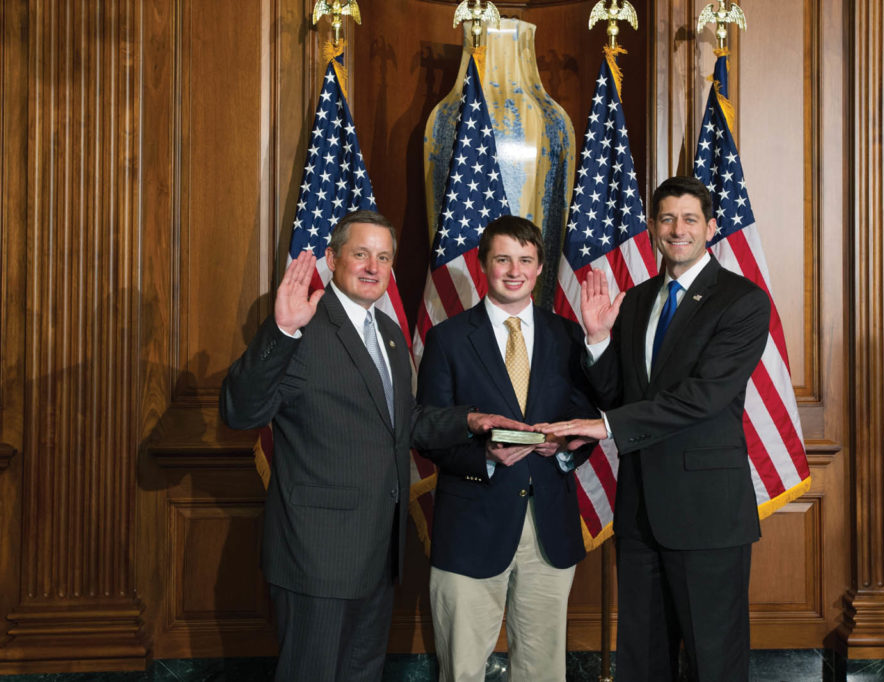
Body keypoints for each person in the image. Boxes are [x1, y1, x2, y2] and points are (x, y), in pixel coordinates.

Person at [219, 210, 527, 682]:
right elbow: (241, 412)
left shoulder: (387, 333)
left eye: (383, 257)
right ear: (332, 259)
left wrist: (469, 420)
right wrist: (281, 332)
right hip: (317, 555)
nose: (372, 267)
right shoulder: (303, 326)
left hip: (378, 552)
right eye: (360, 254)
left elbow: (404, 422)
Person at [545, 176, 771, 681]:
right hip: (640, 510)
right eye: (667, 219)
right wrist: (598, 339)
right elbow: (618, 395)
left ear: (711, 227)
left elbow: (703, 398)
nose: (677, 229)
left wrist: (606, 426)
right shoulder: (637, 299)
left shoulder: (742, 301)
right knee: (643, 661)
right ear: (651, 227)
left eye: (690, 219)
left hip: (706, 515)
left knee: (713, 662)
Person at [416, 216, 598, 681]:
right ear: (483, 265)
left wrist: (564, 448)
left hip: (549, 530)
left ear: (539, 268)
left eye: (525, 260)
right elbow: (426, 430)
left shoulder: (568, 336)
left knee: (542, 671)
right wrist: (484, 457)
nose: (514, 271)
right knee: (462, 669)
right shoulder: (447, 339)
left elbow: (586, 420)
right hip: (470, 528)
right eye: (503, 259)